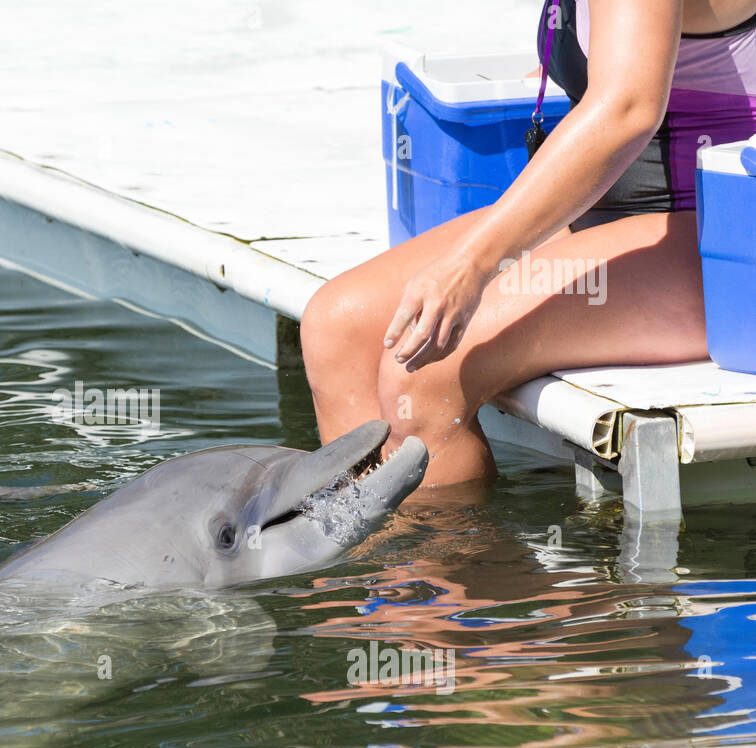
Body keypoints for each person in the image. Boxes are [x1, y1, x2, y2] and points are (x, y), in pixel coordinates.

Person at [301, 0, 756, 488]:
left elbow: (627, 109)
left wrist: (472, 264)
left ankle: (444, 561)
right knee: (338, 325)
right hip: (616, 213)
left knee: (428, 370)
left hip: (726, 243)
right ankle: (374, 557)